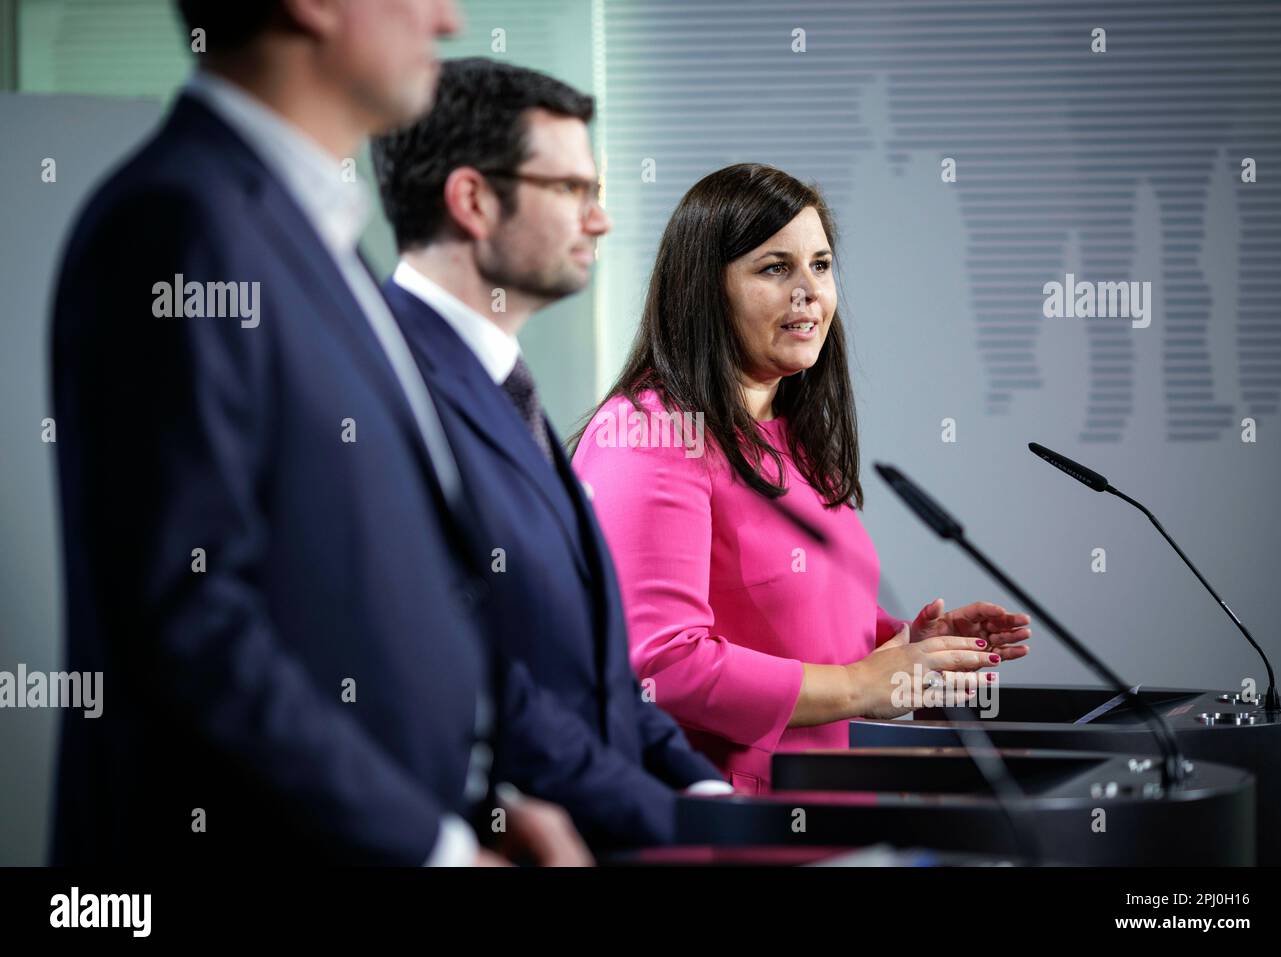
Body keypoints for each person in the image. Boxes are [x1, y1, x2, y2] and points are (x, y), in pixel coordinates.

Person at [49, 0, 662, 868]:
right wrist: (435, 848)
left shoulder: (318, 245)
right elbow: (190, 625)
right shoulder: (178, 222)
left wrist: (485, 806)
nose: (448, 21)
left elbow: (394, 617)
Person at [572, 163, 1032, 793]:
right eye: (774, 268)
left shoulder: (791, 431)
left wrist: (901, 649)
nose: (808, 292)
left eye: (819, 265)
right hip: (714, 823)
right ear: (704, 289)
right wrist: (858, 685)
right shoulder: (650, 437)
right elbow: (663, 664)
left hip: (826, 807)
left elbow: (788, 607)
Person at [372, 58, 730, 807]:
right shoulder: (380, 384)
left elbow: (591, 675)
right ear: (472, 199)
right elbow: (459, 682)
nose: (599, 219)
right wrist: (655, 812)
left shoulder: (506, 385)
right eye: (571, 190)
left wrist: (700, 789)